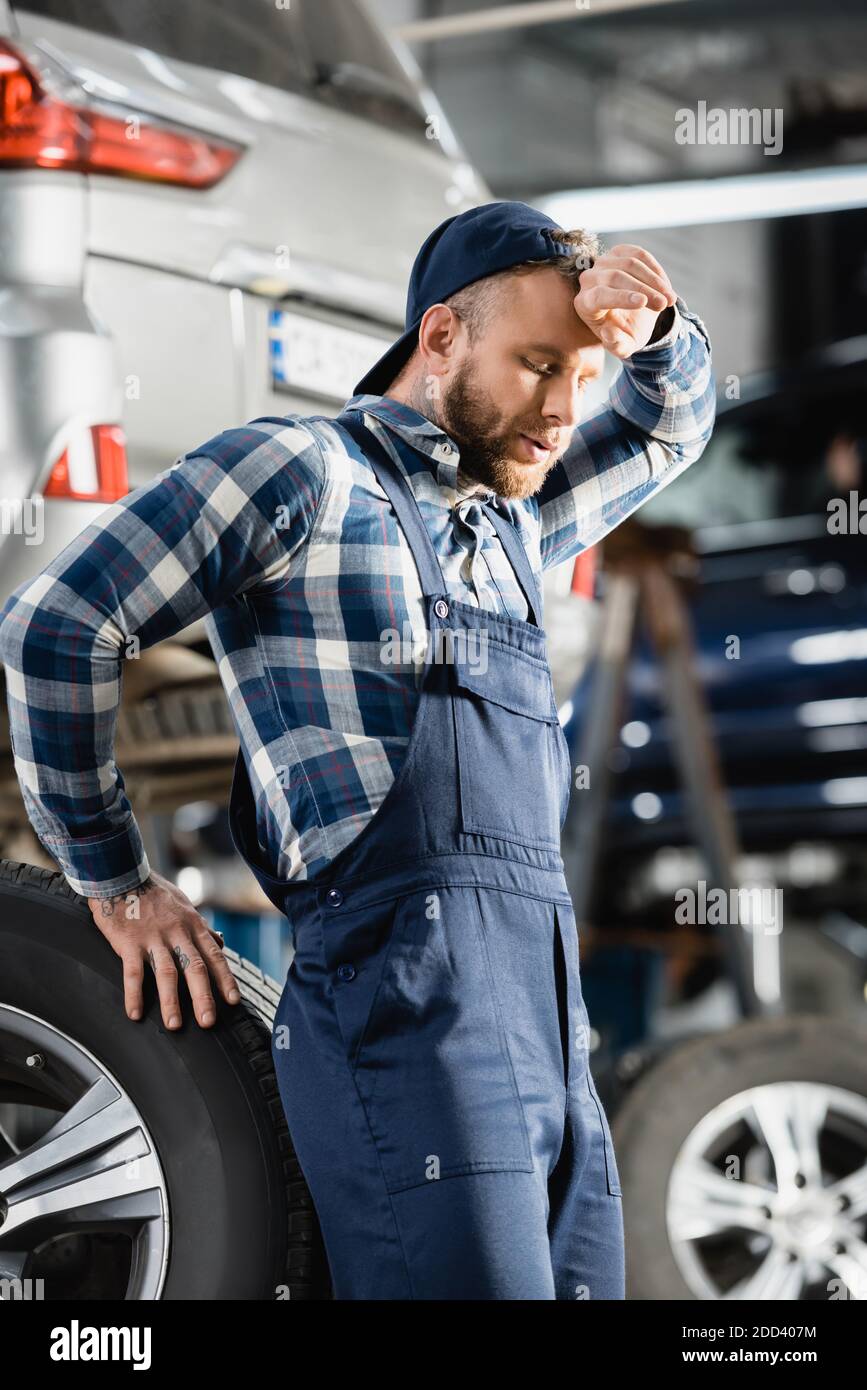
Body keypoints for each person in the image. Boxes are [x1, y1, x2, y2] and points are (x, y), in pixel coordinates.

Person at [0, 201, 715, 1299]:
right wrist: (114, 880)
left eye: (581, 372)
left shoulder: (514, 524)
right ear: (440, 338)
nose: (567, 407)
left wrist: (654, 333)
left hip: (553, 1047)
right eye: (537, 364)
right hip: (411, 1035)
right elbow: (56, 626)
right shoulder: (301, 473)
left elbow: (673, 427)